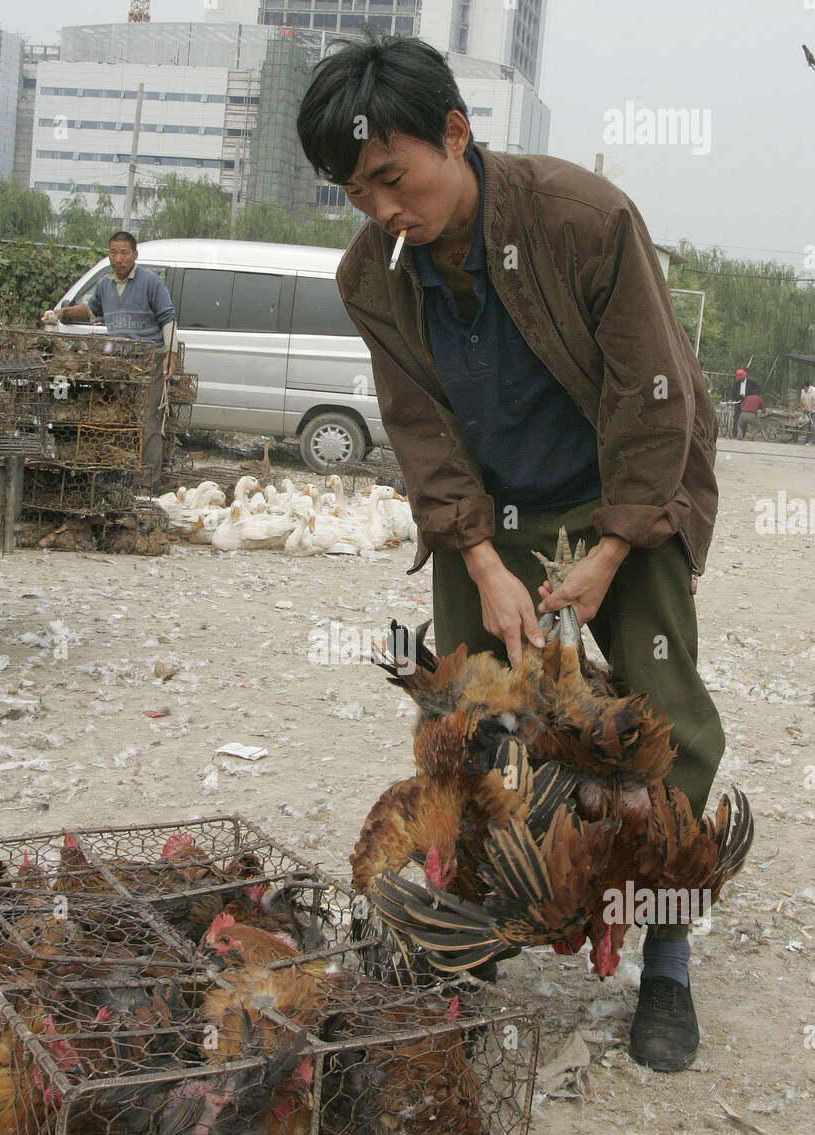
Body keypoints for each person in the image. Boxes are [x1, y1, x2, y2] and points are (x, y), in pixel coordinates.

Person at [297, 34, 726, 1072]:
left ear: (457, 132)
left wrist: (613, 550)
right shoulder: (374, 275)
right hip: (491, 512)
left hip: (628, 488)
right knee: (476, 726)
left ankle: (665, 955)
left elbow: (651, 393)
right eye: (358, 194)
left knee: (659, 729)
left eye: (393, 179)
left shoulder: (584, 219)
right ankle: (483, 928)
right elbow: (421, 431)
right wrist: (485, 564)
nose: (383, 212)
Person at [43, 231, 176, 486]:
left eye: (124, 253)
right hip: (117, 362)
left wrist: (169, 354)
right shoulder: (104, 284)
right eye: (113, 252)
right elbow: (92, 310)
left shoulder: (151, 282)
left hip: (147, 360)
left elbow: (168, 317)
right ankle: (120, 476)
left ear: (135, 255)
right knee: (119, 419)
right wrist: (62, 312)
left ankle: (147, 484)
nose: (118, 258)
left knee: (147, 422)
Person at [731, 368, 762, 437]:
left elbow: (759, 389)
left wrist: (749, 394)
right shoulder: (736, 383)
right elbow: (733, 391)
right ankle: (735, 433)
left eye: (741, 378)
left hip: (747, 401)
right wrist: (732, 399)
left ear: (744, 376)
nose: (740, 380)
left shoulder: (751, 382)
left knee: (744, 418)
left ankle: (743, 434)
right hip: (738, 401)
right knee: (736, 417)